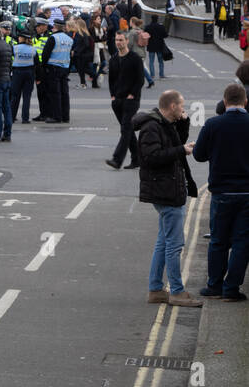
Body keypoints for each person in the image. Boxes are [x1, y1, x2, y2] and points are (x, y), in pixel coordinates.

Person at [135, 90, 201, 307]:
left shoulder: (165, 124)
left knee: (164, 241)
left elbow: (176, 143)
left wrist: (183, 124)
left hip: (169, 188)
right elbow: (151, 158)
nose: (184, 108)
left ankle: (155, 289)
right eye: (182, 106)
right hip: (165, 190)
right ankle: (176, 291)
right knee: (174, 244)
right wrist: (181, 149)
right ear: (172, 106)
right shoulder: (151, 127)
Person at [194, 82, 249, 301]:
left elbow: (199, 154)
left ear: (225, 102)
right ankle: (231, 288)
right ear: (245, 101)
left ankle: (214, 286)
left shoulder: (213, 124)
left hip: (221, 192)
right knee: (242, 243)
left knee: (218, 240)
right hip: (246, 193)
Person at [106, 31, 145, 170]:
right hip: (117, 100)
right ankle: (137, 159)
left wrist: (132, 94)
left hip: (131, 100)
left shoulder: (135, 58)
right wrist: (112, 96)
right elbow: (111, 80)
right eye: (117, 40)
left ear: (127, 41)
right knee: (128, 130)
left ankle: (117, 160)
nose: (119, 43)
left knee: (125, 129)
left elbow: (140, 79)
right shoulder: (114, 59)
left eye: (121, 40)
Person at [40, 18, 72, 123]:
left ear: (55, 27)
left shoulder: (53, 38)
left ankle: (56, 116)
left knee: (55, 93)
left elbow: (45, 54)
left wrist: (43, 67)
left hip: (53, 68)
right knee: (64, 93)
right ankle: (65, 116)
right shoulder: (69, 39)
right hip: (65, 67)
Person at [10, 28, 37, 124]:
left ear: (22, 38)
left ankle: (12, 117)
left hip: (17, 73)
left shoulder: (15, 48)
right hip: (29, 73)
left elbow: (10, 59)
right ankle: (25, 118)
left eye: (20, 37)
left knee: (15, 96)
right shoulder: (33, 49)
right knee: (27, 97)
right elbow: (36, 63)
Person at [143, 12, 170, 81]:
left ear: (151, 19)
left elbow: (145, 35)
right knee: (160, 61)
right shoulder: (161, 27)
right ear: (157, 19)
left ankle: (152, 75)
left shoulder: (148, 27)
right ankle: (161, 74)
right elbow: (165, 35)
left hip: (151, 46)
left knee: (151, 61)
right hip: (159, 46)